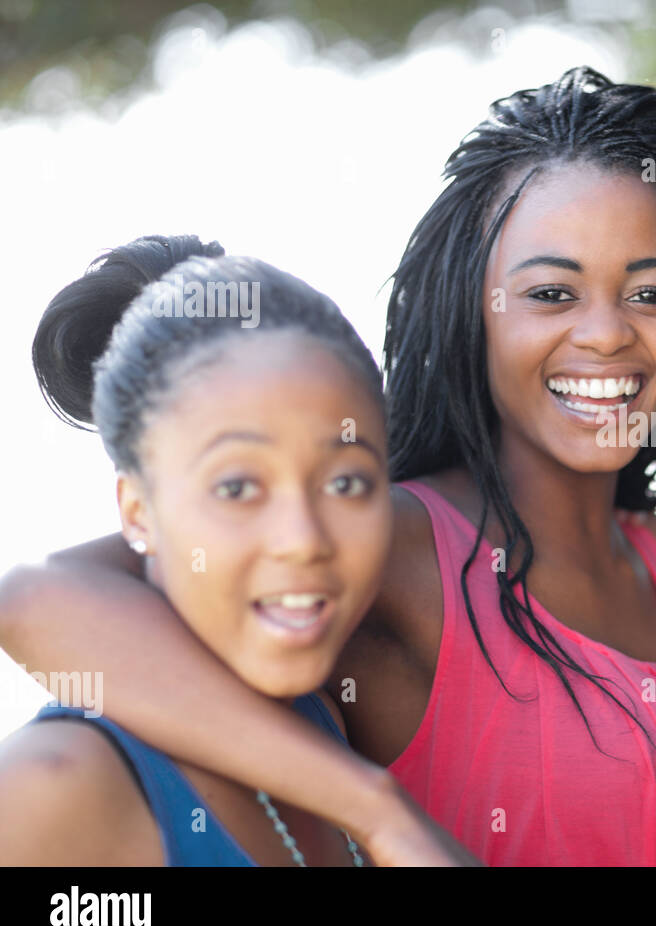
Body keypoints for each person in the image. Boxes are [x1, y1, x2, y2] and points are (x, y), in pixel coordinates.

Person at [0, 67, 656, 866]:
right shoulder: (394, 543)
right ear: (469, 307)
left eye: (652, 294)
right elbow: (35, 602)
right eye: (550, 293)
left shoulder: (644, 546)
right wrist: (380, 811)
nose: (607, 334)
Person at [0, 235, 468, 865]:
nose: (304, 540)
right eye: (238, 487)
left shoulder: (321, 717)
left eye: (345, 483)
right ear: (136, 511)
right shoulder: (55, 788)